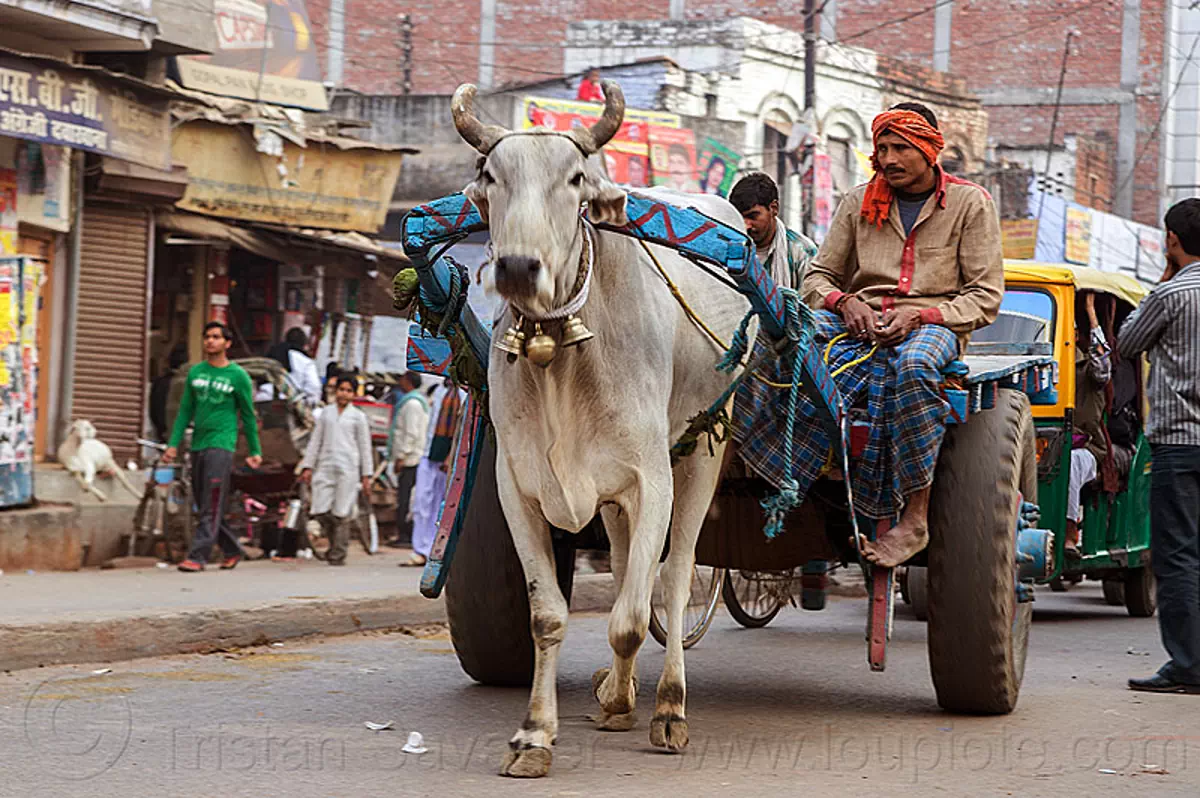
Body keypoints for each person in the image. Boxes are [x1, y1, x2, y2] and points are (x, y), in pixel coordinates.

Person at [793, 102, 1003, 568]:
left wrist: (921, 316)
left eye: (900, 148)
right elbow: (817, 278)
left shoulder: (971, 203)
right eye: (881, 148)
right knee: (787, 340)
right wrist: (844, 303)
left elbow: (984, 298)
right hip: (859, 322)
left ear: (929, 150)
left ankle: (915, 515)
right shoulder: (857, 201)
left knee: (914, 364)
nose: (888, 159)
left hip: (933, 325)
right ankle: (791, 476)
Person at [1119, 198, 1200, 695]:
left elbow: (1128, 343)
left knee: (1178, 556)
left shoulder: (1171, 294)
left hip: (1179, 442)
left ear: (1172, 240)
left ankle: (1188, 665)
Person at [163, 322, 263, 572]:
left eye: (216, 337)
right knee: (203, 502)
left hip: (222, 444)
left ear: (227, 344)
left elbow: (248, 415)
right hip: (198, 443)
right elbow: (185, 410)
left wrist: (254, 450)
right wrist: (172, 444)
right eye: (207, 337)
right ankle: (231, 549)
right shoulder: (196, 373)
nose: (210, 341)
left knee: (212, 501)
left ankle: (198, 556)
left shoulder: (238, 376)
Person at [298, 374, 373, 566]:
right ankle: (334, 546)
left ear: (354, 394)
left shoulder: (358, 417)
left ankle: (338, 553)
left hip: (348, 468)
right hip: (325, 465)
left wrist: (366, 475)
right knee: (321, 509)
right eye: (341, 389)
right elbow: (316, 441)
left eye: (348, 391)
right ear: (335, 391)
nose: (344, 394)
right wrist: (308, 466)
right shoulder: (326, 413)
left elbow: (365, 447)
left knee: (341, 511)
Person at [404, 376, 466, 567]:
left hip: (449, 458)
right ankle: (421, 549)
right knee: (422, 501)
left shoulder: (464, 395)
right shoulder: (437, 391)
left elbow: (462, 429)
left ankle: (437, 549)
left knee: (443, 505)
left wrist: (451, 456)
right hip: (428, 452)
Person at [729, 172, 819, 291]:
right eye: (740, 218)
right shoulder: (730, 249)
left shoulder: (802, 252)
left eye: (753, 216)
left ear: (774, 208)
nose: (746, 226)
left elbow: (810, 303)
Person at [385, 372, 430, 548]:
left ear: (408, 382)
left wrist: (401, 457)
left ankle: (405, 534)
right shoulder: (416, 402)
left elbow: (410, 433)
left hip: (410, 459)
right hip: (412, 457)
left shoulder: (411, 404)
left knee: (405, 498)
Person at [263, 327, 322, 405]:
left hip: (263, 398)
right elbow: (314, 387)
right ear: (304, 344)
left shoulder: (271, 354)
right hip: (289, 403)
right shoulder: (306, 361)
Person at [149, 344, 188, 442]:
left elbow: (153, 409)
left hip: (162, 434)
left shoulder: (159, 382)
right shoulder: (187, 384)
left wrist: (160, 431)